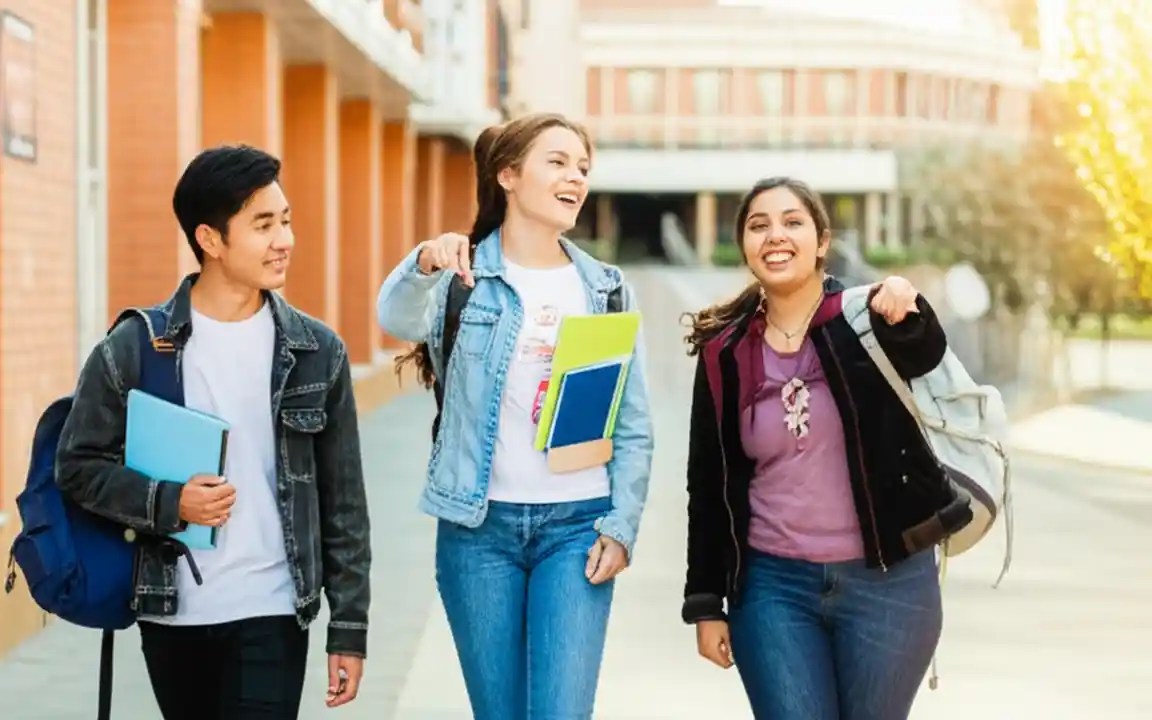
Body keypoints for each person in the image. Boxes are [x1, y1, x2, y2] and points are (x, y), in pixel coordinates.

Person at [55, 144, 371, 718]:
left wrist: (348, 626)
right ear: (210, 239)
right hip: (172, 612)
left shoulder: (316, 352)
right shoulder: (136, 346)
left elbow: (343, 501)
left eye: (287, 220)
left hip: (273, 607)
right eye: (263, 224)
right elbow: (77, 465)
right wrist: (170, 502)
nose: (284, 240)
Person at [376, 113, 654, 719]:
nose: (575, 177)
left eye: (582, 167)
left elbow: (632, 425)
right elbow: (396, 320)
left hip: (577, 528)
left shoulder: (603, 288)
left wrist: (621, 526)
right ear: (508, 174)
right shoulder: (464, 277)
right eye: (557, 162)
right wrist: (425, 262)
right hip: (479, 532)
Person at [681, 176, 965, 720]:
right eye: (758, 225)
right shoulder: (724, 351)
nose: (775, 235)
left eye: (792, 222)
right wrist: (705, 604)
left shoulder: (863, 319)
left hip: (889, 584)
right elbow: (707, 483)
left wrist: (907, 305)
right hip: (772, 588)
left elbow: (926, 352)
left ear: (822, 240)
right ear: (744, 244)